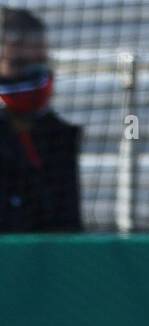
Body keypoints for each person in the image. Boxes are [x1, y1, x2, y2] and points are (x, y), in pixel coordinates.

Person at [0, 7, 82, 232]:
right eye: (19, 64)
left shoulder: (60, 137)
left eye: (40, 63)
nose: (32, 74)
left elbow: (69, 227)